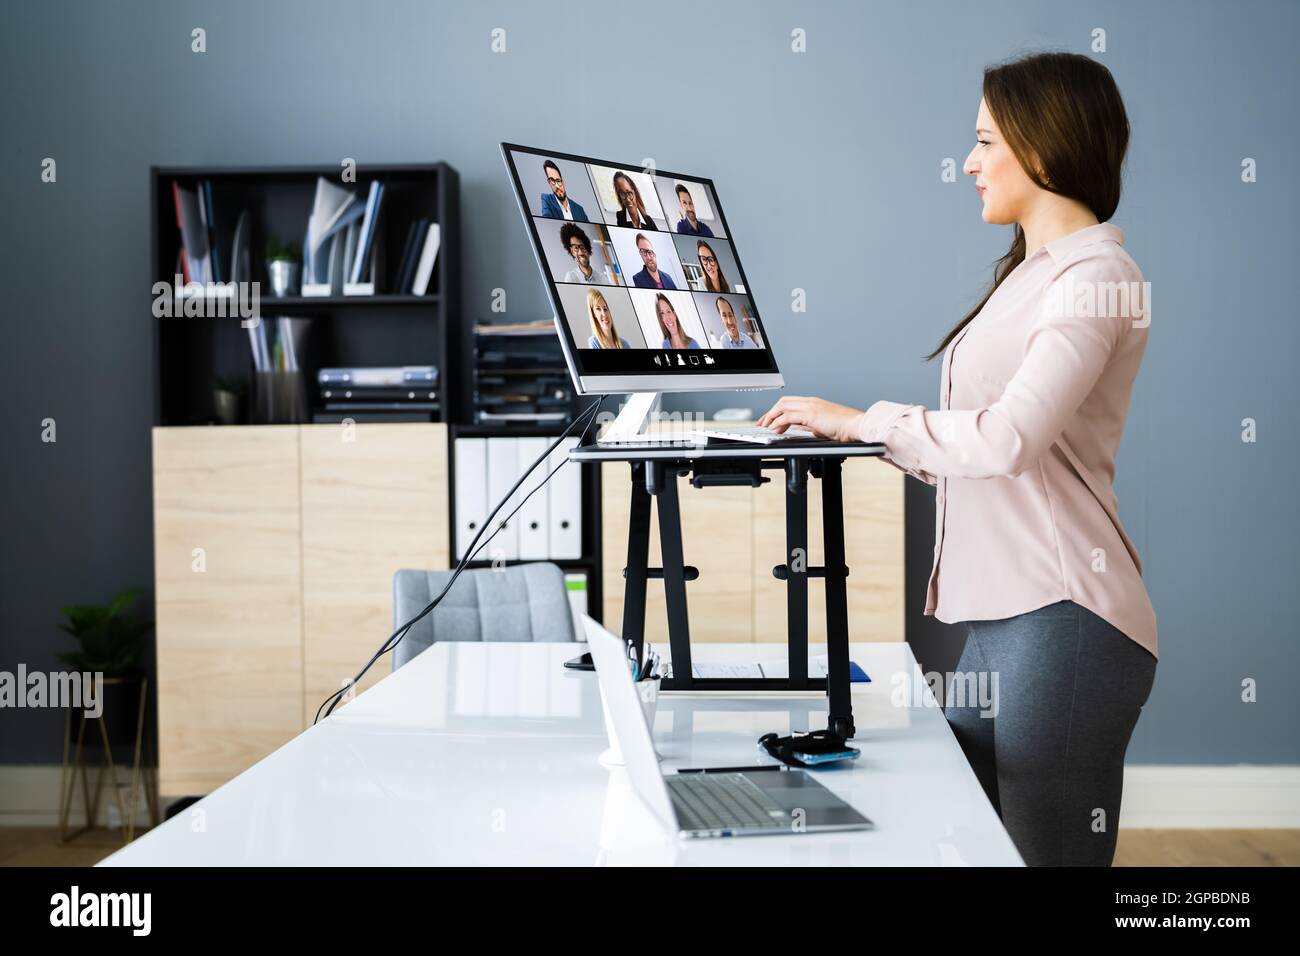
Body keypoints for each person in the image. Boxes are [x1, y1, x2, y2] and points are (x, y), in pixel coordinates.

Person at [757, 52, 1156, 868]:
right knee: (969, 844)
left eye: (984, 142)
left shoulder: (1098, 278)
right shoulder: (1027, 279)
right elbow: (978, 458)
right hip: (1002, 624)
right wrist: (856, 433)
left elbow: (1009, 440)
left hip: (1066, 620)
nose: (969, 164)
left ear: (1042, 150)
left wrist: (867, 420)